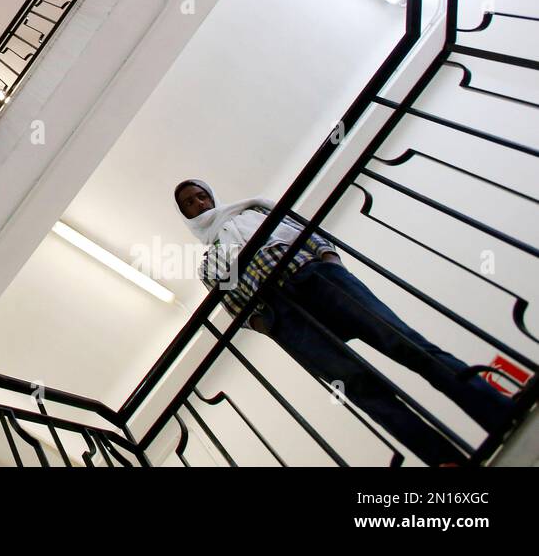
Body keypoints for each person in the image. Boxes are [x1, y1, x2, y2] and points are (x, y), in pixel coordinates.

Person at [174, 179, 514, 465]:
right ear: (185, 214)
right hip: (285, 316)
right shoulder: (207, 265)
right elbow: (234, 306)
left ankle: (497, 411)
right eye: (189, 202)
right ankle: (444, 460)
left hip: (318, 279)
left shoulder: (255, 211)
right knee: (358, 385)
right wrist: (268, 323)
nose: (199, 203)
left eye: (201, 195)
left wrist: (329, 261)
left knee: (405, 343)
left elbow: (304, 231)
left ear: (212, 195)